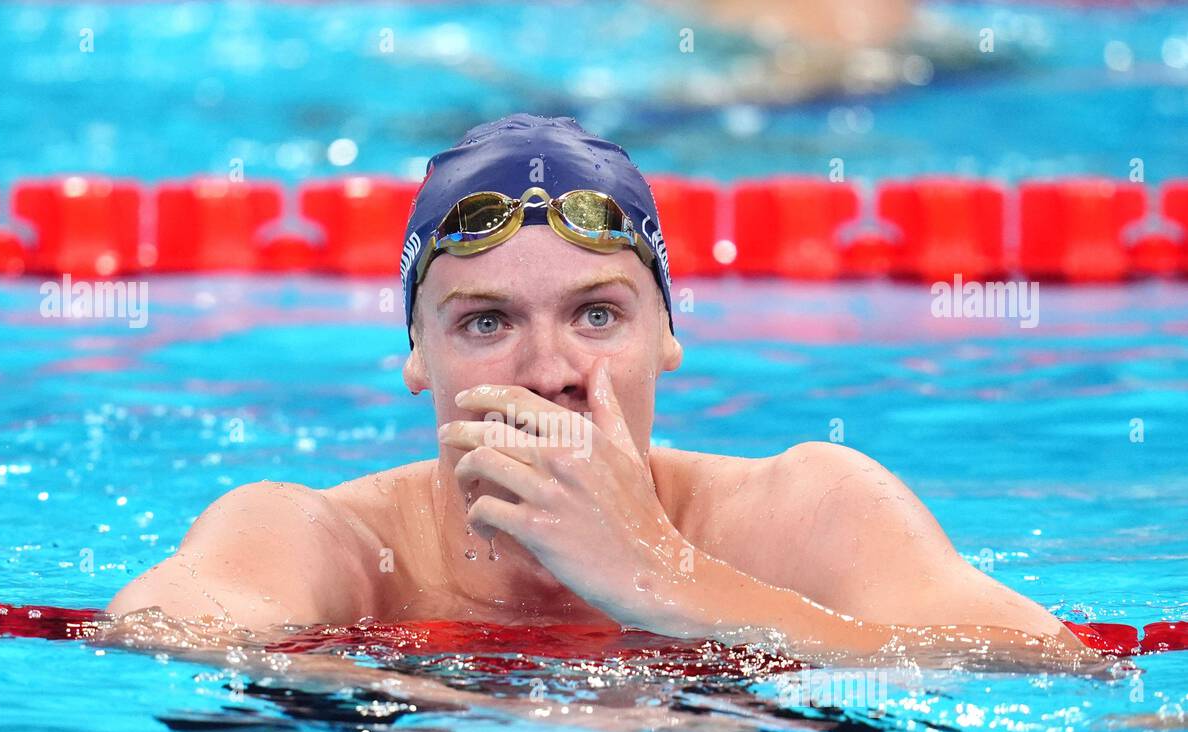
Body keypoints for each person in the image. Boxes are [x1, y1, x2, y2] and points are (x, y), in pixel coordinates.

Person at [107, 113, 1074, 658]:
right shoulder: (330, 542)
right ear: (416, 358)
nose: (551, 372)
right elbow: (152, 639)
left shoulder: (803, 509)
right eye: (486, 322)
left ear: (668, 339)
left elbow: (1047, 670)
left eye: (598, 316)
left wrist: (668, 579)